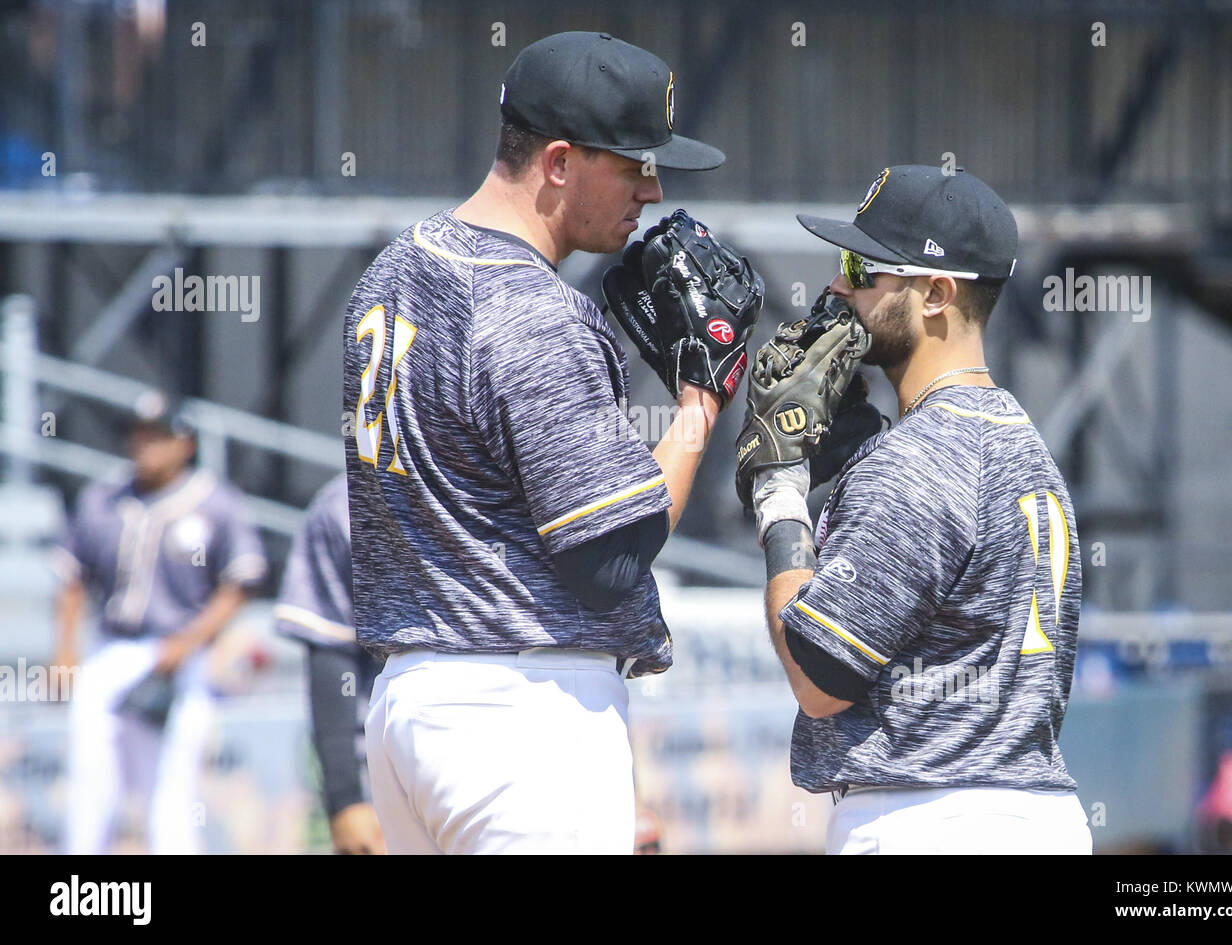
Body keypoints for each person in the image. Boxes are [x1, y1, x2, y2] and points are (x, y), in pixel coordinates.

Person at [344, 31, 760, 854]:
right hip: (519, 714)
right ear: (561, 162)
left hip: (408, 705)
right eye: (635, 165)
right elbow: (610, 554)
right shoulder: (532, 309)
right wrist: (700, 402)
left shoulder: (392, 269)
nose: (653, 189)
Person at [737, 165, 1092, 854]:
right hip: (1030, 816)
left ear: (935, 293)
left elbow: (819, 679)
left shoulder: (917, 461)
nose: (837, 286)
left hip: (930, 819)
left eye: (862, 269)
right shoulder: (1024, 443)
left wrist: (779, 490)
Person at [51, 391, 266, 854]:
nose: (144, 445)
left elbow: (242, 581)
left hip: (180, 661)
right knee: (91, 786)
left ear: (184, 443)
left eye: (156, 436)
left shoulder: (214, 502)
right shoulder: (104, 498)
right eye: (139, 435)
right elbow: (71, 578)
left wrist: (189, 642)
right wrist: (65, 651)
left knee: (170, 792)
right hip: (111, 649)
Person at [273, 472, 385, 854]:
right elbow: (331, 649)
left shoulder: (534, 475)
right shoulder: (349, 499)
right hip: (390, 769)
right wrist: (345, 798)